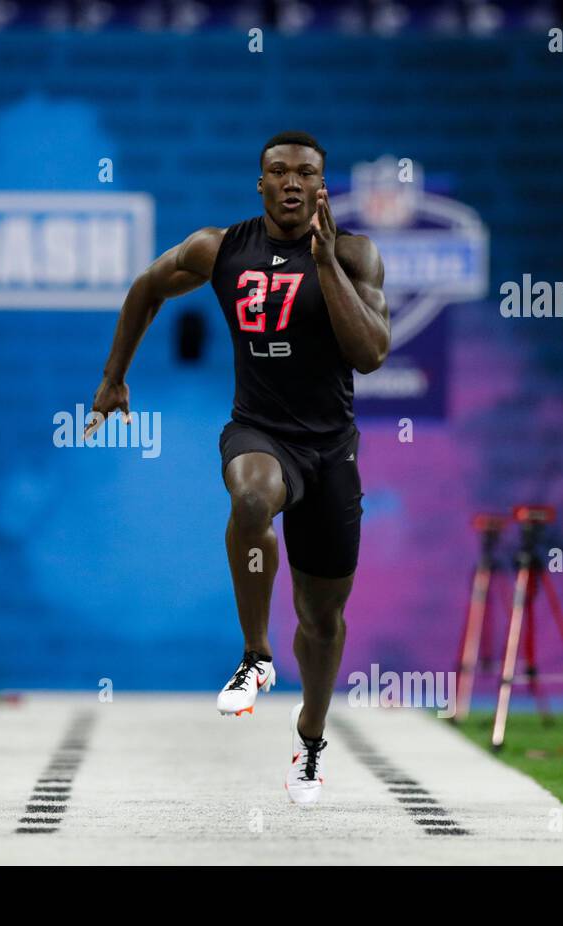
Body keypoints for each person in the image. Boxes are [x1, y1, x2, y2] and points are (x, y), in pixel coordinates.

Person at [85, 131, 390, 804]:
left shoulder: (354, 253)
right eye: (276, 171)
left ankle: (310, 735)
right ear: (259, 183)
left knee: (321, 620)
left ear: (321, 187)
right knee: (252, 497)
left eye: (303, 173)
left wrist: (325, 265)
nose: (289, 182)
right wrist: (114, 378)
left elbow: (370, 354)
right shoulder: (220, 248)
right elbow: (147, 286)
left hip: (331, 452)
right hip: (259, 431)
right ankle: (255, 656)